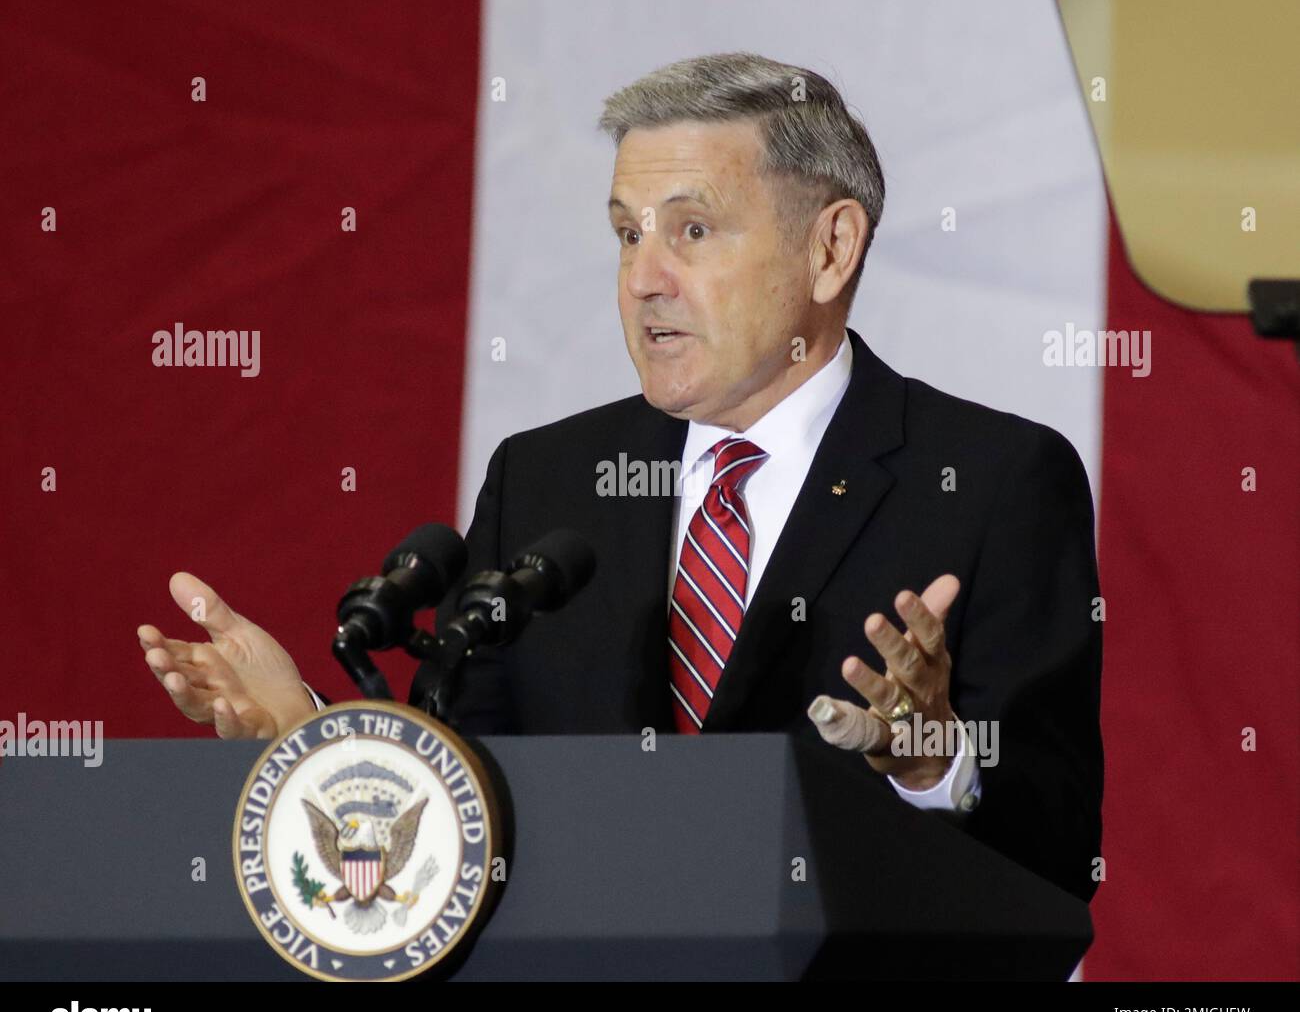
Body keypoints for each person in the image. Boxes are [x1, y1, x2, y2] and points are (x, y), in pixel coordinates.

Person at [139, 53, 1102, 904]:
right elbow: (467, 804)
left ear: (830, 247)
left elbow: (1058, 856)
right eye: (625, 234)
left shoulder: (990, 483)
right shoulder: (550, 481)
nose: (642, 278)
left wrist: (932, 759)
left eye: (690, 232)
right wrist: (304, 730)